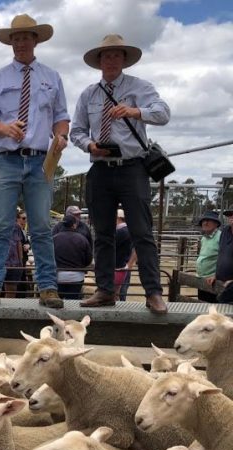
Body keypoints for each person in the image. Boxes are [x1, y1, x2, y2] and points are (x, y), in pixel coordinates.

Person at [71, 34, 170, 314]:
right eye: (106, 56)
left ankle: (153, 292)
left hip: (132, 167)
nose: (111, 60)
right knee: (102, 233)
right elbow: (76, 130)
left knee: (141, 231)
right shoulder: (88, 94)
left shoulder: (141, 87)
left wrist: (136, 111)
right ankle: (105, 290)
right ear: (99, 61)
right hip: (100, 168)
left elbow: (164, 113)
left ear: (124, 59)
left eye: (116, 55)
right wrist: (89, 145)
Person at [0, 14, 68, 309]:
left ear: (35, 40)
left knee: (41, 227)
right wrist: (3, 129)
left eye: (26, 37)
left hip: (41, 160)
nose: (21, 43)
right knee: (1, 226)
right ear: (10, 42)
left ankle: (47, 287)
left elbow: (61, 117)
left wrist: (61, 136)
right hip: (5, 160)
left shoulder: (52, 77)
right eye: (16, 38)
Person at [0, 210, 26, 298]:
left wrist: (20, 261)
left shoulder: (16, 227)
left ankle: (8, 308)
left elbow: (18, 243)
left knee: (11, 289)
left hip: (13, 263)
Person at [53, 214, 92, 300]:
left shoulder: (54, 239)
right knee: (73, 300)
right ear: (74, 225)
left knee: (59, 300)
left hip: (58, 275)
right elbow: (88, 259)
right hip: (77, 276)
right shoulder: (82, 239)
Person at [195, 210, 222, 303]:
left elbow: (225, 258)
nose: (205, 222)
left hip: (213, 281)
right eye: (204, 220)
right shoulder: (204, 238)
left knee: (213, 308)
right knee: (202, 305)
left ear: (216, 224)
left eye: (209, 220)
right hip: (202, 279)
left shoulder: (221, 237)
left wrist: (216, 275)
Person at [209, 210, 233, 304]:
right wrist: (216, 274)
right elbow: (221, 254)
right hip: (221, 281)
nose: (231, 217)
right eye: (230, 215)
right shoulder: (225, 231)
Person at [114, 208, 137, 301]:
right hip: (126, 264)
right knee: (123, 290)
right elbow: (136, 248)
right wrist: (130, 263)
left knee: (116, 292)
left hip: (119, 265)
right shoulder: (131, 230)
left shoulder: (120, 232)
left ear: (118, 218)